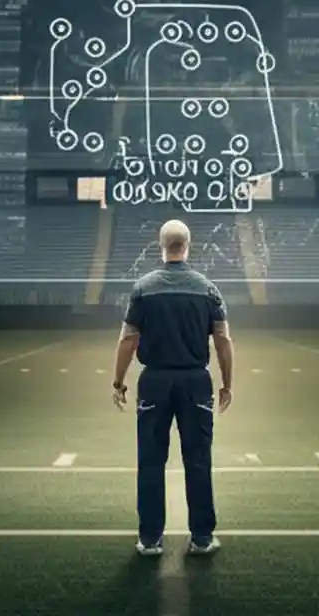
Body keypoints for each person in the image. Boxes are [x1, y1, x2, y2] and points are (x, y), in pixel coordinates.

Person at [112, 218, 234, 557]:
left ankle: (150, 539)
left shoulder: (143, 288)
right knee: (198, 459)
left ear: (161, 246)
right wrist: (227, 383)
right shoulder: (208, 288)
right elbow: (223, 339)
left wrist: (118, 380)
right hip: (196, 381)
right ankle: (202, 538)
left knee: (150, 461)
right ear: (188, 246)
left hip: (154, 382)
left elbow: (128, 340)